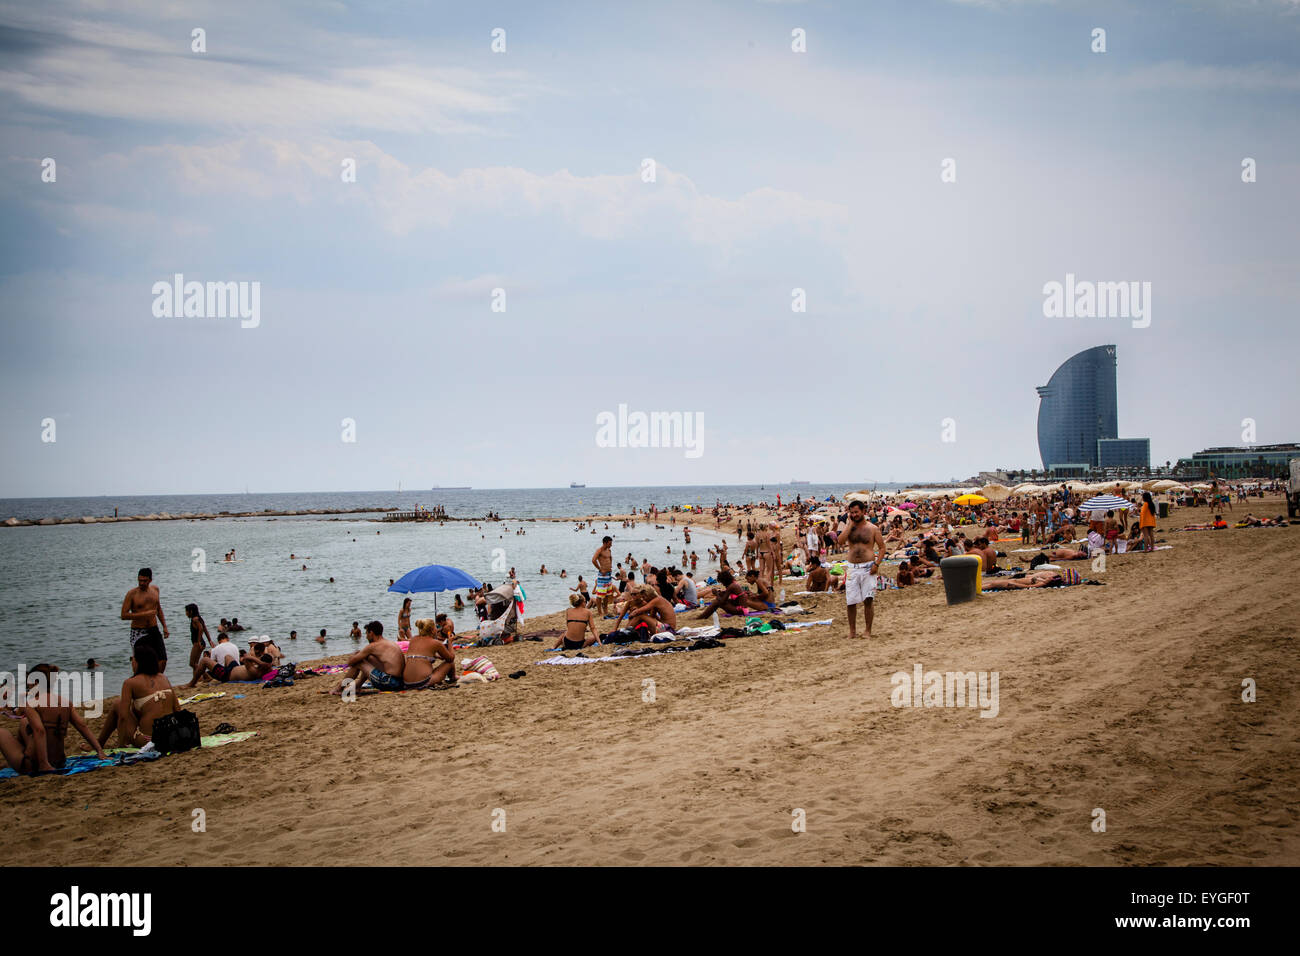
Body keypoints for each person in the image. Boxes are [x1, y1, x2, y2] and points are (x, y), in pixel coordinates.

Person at [2, 664, 107, 773]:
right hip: (60, 762)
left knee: (2, 733)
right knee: (24, 722)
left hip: (34, 765)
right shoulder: (66, 703)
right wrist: (99, 751)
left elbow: (40, 731)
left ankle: (24, 760)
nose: (28, 687)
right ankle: (16, 759)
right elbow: (82, 726)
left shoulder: (31, 704)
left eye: (29, 684)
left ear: (36, 683)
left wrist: (44, 764)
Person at [98, 645, 183, 748]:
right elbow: (178, 710)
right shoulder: (163, 678)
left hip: (150, 740)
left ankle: (99, 743)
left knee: (118, 704)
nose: (131, 662)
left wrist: (120, 745)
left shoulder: (130, 683)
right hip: (173, 737)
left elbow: (123, 718)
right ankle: (102, 743)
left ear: (138, 662)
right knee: (141, 708)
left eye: (132, 659)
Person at [839, 500, 886, 640]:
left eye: (856, 512)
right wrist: (850, 524)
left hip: (868, 567)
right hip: (853, 567)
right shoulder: (849, 527)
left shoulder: (872, 529)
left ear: (863, 512)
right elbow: (840, 541)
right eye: (851, 512)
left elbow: (882, 548)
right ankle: (852, 631)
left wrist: (876, 564)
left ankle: (867, 630)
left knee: (868, 600)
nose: (854, 515)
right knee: (851, 601)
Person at [324, 621, 407, 695]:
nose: (366, 637)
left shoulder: (373, 646)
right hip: (399, 683)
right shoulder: (388, 643)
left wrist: (355, 655)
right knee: (369, 658)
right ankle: (357, 686)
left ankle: (339, 688)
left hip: (389, 682)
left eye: (366, 633)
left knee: (359, 662)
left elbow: (351, 662)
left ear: (371, 633)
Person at [121, 567, 168, 671]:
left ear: (150, 580)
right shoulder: (132, 594)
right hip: (138, 631)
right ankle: (138, 681)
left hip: (154, 629)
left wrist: (164, 627)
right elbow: (123, 615)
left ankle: (157, 682)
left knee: (162, 660)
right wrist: (144, 614)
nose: (141, 583)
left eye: (144, 581)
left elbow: (158, 609)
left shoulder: (155, 590)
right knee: (141, 661)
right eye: (140, 580)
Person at [403, 618, 456, 689]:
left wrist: (437, 656)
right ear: (432, 630)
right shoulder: (435, 643)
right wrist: (449, 642)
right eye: (435, 627)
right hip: (422, 682)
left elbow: (422, 654)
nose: (437, 630)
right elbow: (450, 658)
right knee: (450, 663)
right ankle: (453, 678)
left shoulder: (413, 639)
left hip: (407, 683)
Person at [592, 535, 615, 616]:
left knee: (607, 594)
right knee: (600, 594)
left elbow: (610, 558)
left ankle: (605, 610)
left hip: (608, 574)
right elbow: (593, 560)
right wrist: (600, 569)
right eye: (610, 543)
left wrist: (610, 566)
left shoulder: (609, 550)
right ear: (605, 543)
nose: (611, 545)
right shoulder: (599, 550)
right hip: (602, 575)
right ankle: (599, 611)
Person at [185, 603, 212, 670]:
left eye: (186, 611)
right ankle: (198, 679)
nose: (186, 613)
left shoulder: (195, 619)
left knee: (192, 663)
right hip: (201, 643)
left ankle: (207, 677)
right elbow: (205, 629)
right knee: (195, 663)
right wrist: (209, 640)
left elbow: (201, 629)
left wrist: (199, 641)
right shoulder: (199, 618)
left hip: (197, 643)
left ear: (191, 611)